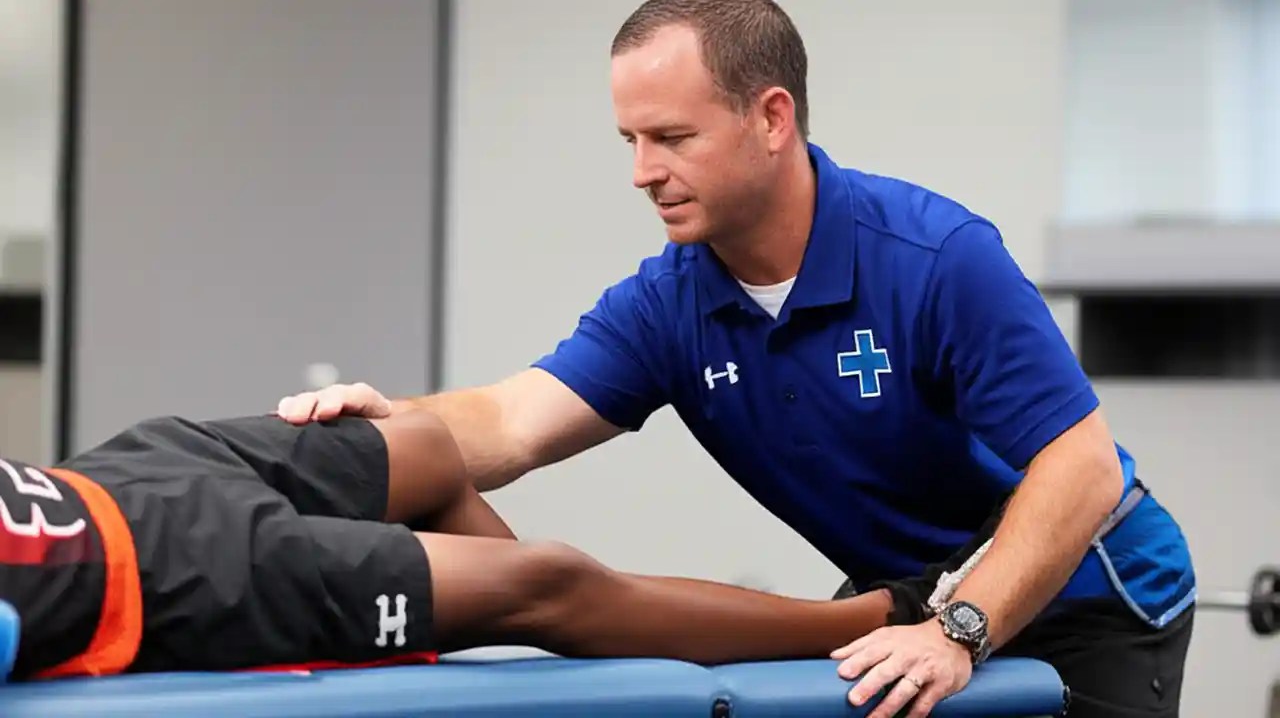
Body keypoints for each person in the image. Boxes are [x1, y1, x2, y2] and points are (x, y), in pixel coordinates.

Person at [276, 0, 1197, 715]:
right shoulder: (673, 299)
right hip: (911, 591)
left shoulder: (935, 258)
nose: (642, 170)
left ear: (771, 117)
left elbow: (1079, 469)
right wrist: (393, 426)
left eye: (672, 137)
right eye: (630, 141)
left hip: (1090, 585)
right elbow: (516, 420)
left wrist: (961, 629)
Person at [1, 408, 995, 684]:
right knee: (545, 580)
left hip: (127, 470)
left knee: (428, 450)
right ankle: (870, 612)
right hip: (181, 579)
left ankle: (542, 642)